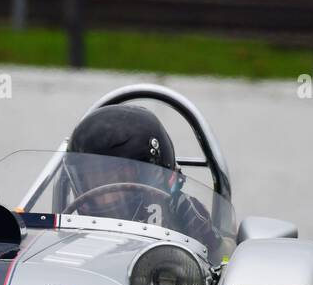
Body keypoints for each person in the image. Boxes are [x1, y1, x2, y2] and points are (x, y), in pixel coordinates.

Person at [62, 103, 215, 244]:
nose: (106, 196)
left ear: (151, 176)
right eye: (95, 185)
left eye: (117, 182)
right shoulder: (73, 231)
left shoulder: (182, 210)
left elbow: (221, 260)